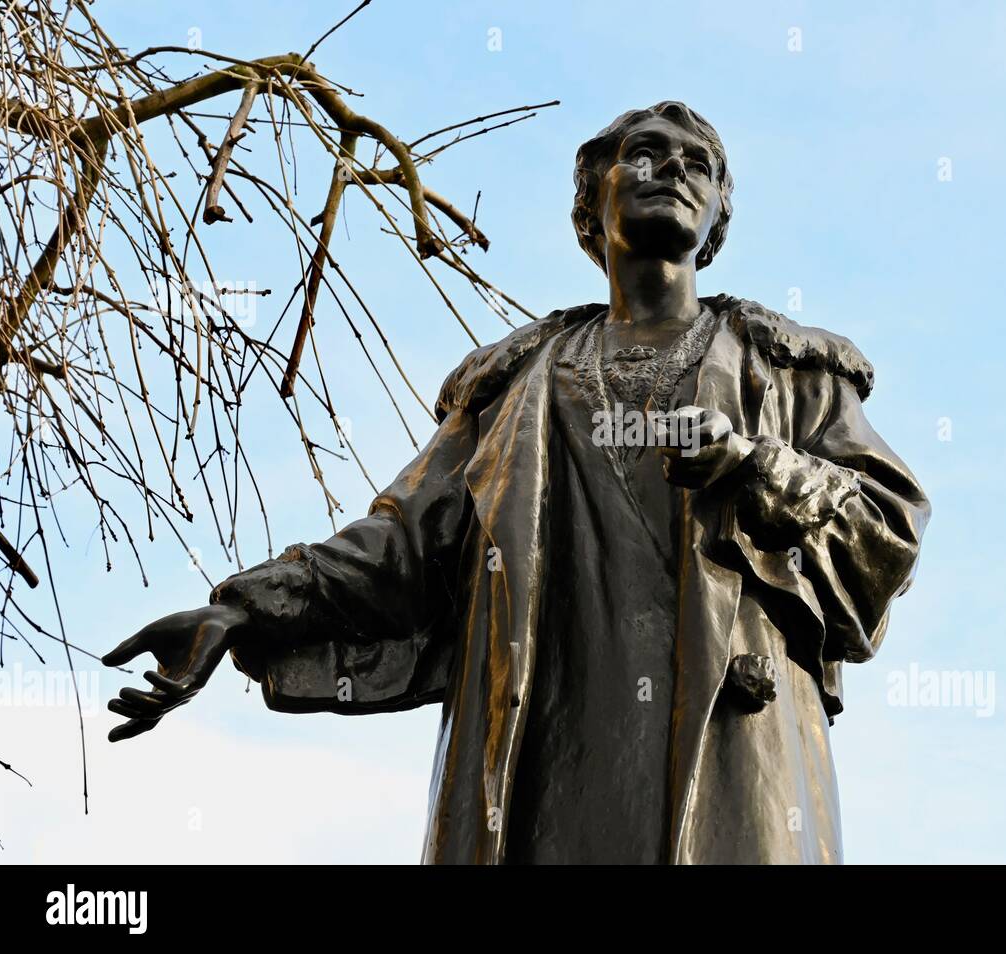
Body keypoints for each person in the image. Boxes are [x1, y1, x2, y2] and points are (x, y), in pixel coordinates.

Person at [104, 101, 930, 864]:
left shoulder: (788, 369)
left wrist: (756, 466)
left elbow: (887, 529)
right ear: (590, 204)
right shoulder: (513, 389)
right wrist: (241, 606)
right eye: (646, 154)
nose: (676, 171)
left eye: (699, 165)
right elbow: (397, 549)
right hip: (549, 756)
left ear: (716, 218)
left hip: (730, 753)